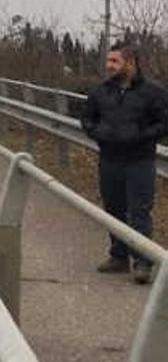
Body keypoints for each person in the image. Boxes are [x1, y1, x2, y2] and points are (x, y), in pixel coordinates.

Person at [80, 43, 167, 285]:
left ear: (130, 62)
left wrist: (140, 136)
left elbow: (163, 123)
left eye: (114, 61)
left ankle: (143, 262)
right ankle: (119, 257)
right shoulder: (100, 91)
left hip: (140, 161)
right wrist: (98, 133)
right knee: (114, 210)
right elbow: (86, 118)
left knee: (139, 211)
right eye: (108, 60)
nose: (109, 65)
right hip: (109, 160)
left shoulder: (153, 92)